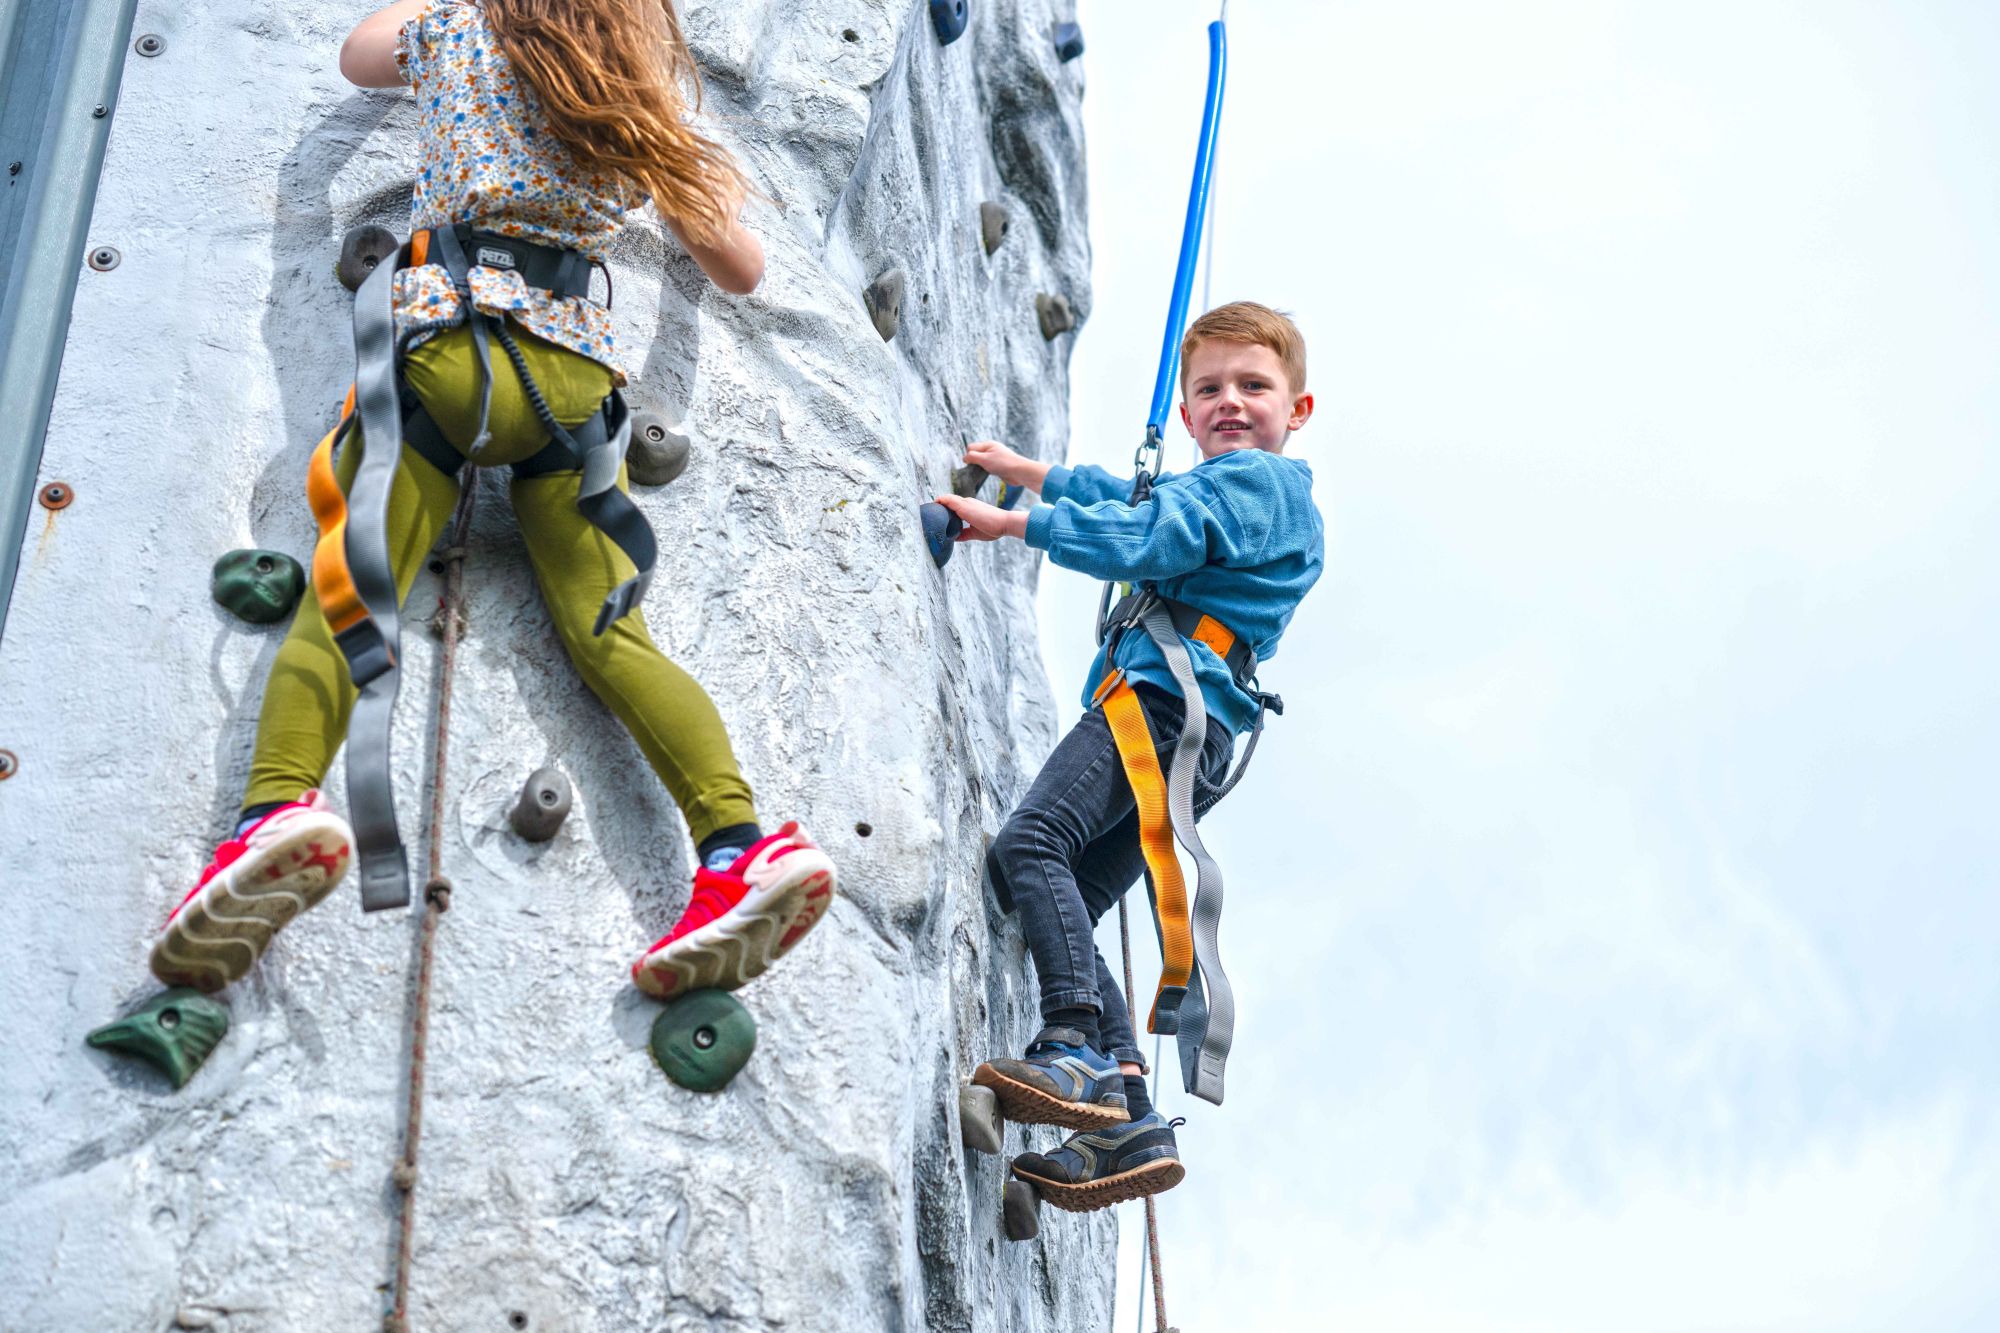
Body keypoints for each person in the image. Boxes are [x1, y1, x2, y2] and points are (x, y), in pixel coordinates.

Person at [150, 0, 834, 1003]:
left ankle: (273, 812)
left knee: (351, 592)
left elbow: (356, 56)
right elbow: (740, 266)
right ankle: (741, 844)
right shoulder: (631, 97)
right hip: (573, 391)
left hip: (447, 350)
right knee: (613, 637)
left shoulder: (457, 36)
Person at [934, 301, 1323, 1210]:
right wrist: (1035, 475)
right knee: (1066, 890)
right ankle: (1131, 1110)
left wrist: (1013, 526)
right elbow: (1140, 500)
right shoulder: (1233, 490)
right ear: (1185, 414)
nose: (1230, 402)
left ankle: (1072, 1043)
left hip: (1159, 707)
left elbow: (1147, 533)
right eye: (1210, 389)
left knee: (1028, 847)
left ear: (1297, 409)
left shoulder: (1257, 485)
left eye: (1253, 386)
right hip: (1200, 732)